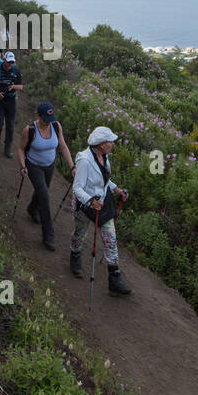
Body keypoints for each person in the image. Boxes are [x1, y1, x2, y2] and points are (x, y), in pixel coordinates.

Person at [70, 126, 131, 296]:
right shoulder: (84, 160)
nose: (113, 144)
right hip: (86, 205)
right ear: (101, 144)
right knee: (79, 234)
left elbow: (104, 180)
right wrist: (90, 201)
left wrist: (116, 189)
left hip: (104, 204)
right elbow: (77, 188)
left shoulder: (104, 156)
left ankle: (114, 278)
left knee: (111, 239)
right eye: (110, 141)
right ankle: (75, 254)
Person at [16, 102, 75, 251]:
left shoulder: (56, 126)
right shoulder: (29, 130)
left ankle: (32, 208)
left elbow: (63, 146)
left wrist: (72, 167)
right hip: (33, 165)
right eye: (45, 120)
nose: (47, 122)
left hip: (50, 165)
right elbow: (21, 149)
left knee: (42, 191)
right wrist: (23, 166)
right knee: (44, 196)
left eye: (50, 119)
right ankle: (48, 235)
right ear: (38, 116)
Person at [0, 50, 22, 156]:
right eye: (8, 62)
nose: (10, 64)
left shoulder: (16, 71)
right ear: (4, 60)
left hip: (11, 101)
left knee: (10, 126)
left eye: (12, 62)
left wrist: (13, 87)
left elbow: (21, 86)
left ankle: (8, 148)